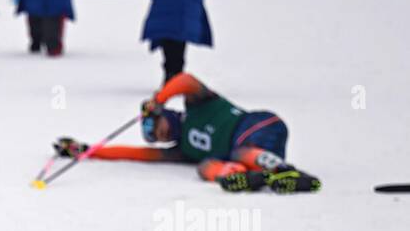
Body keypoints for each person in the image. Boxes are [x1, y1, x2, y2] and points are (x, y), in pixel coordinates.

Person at [52, 72, 321, 192]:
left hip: (258, 126)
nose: (162, 135)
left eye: (159, 127)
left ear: (166, 115)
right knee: (205, 166)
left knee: (240, 150)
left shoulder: (198, 104)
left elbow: (186, 80)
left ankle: (284, 170)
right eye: (157, 137)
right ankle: (245, 178)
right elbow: (135, 154)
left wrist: (159, 98)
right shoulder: (181, 151)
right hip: (243, 156)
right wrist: (85, 149)